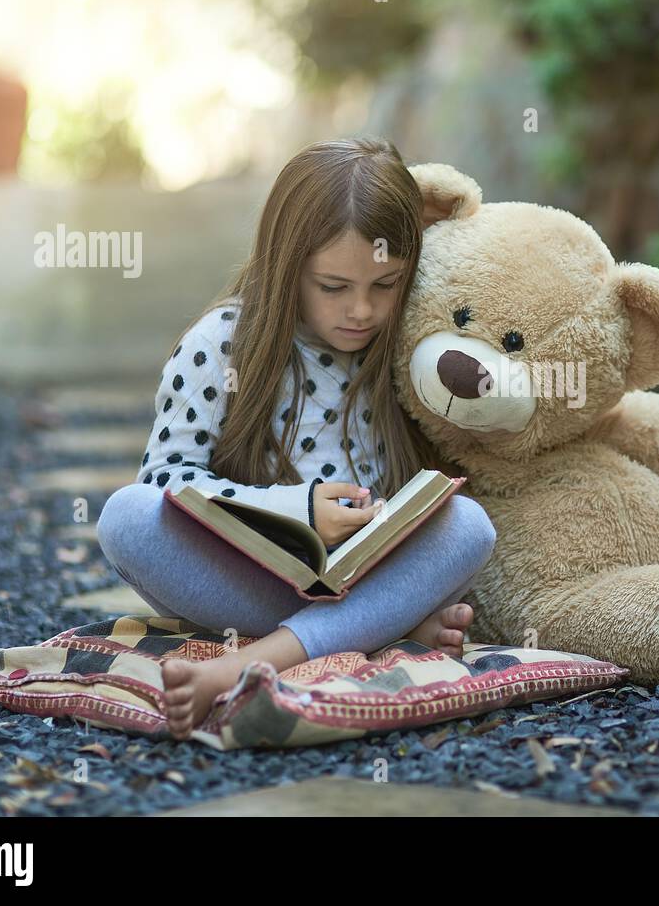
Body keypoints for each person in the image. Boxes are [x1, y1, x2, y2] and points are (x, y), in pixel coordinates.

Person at [95, 137, 496, 739]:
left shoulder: (404, 343)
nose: (361, 310)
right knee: (124, 516)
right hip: (254, 576)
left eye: (385, 285)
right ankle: (376, 630)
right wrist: (295, 509)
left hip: (370, 572)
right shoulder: (219, 345)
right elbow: (165, 480)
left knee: (471, 526)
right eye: (333, 286)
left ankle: (253, 660)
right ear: (287, 265)